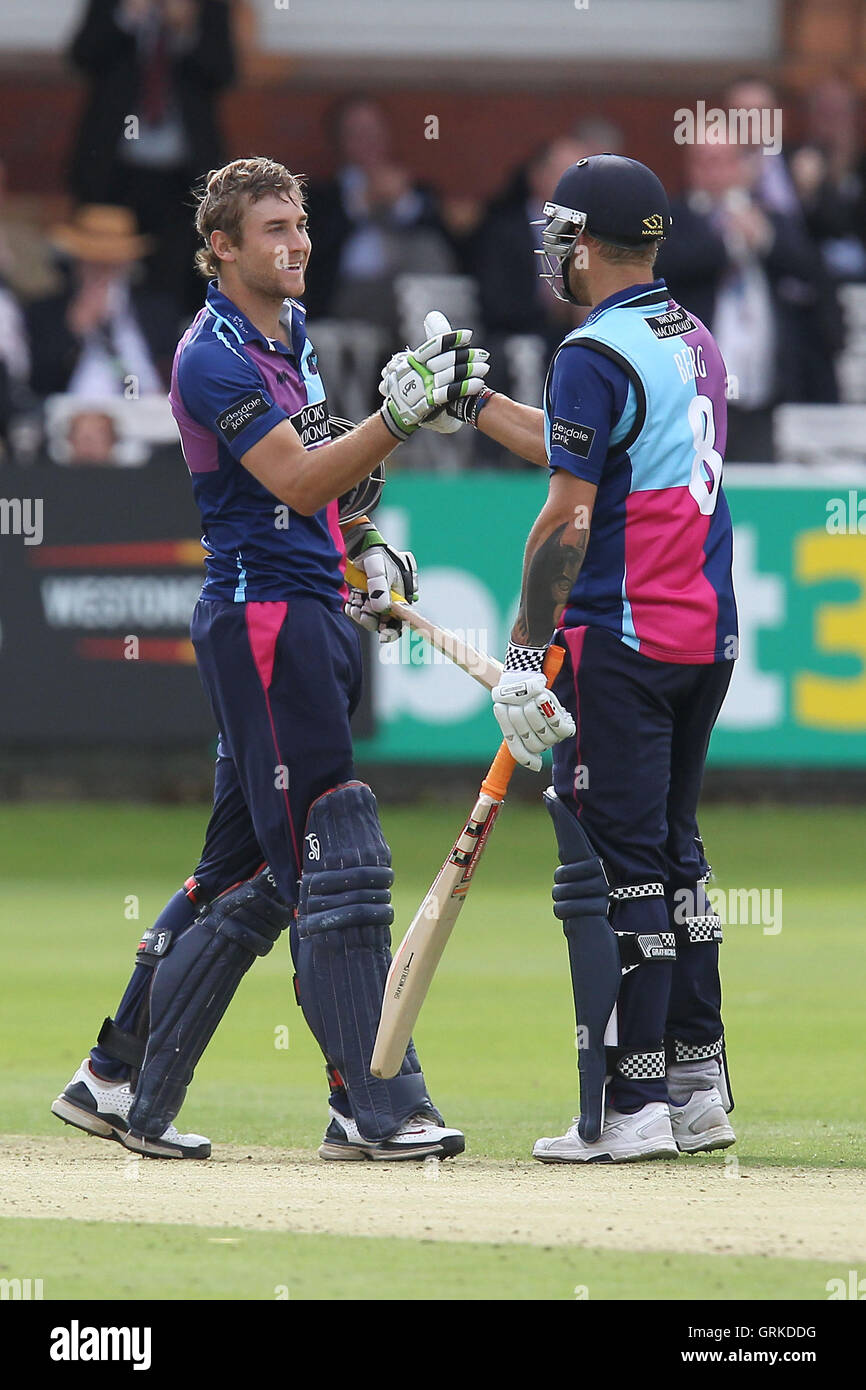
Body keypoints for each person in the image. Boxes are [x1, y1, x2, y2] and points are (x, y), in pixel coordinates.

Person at [51, 155, 489, 1161]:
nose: (295, 243)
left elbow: (334, 489)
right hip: (266, 623)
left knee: (231, 870)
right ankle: (370, 1099)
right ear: (221, 249)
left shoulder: (288, 332)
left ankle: (110, 1075)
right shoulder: (211, 355)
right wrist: (405, 416)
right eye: (273, 231)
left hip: (309, 608)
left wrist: (368, 547)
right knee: (327, 864)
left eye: (300, 224)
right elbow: (294, 483)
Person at [433, 154, 738, 1163]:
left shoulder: (590, 350)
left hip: (624, 634)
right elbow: (585, 448)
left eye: (558, 236)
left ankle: (628, 1102)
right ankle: (697, 1086)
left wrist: (524, 648)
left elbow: (566, 517)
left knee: (620, 866)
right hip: (703, 629)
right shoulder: (687, 336)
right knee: (674, 852)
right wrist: (471, 401)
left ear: (579, 244)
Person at [26, 205, 178, 398]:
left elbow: (174, 373)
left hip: (145, 412)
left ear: (127, 263)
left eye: (110, 264)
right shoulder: (46, 311)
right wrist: (73, 332)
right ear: (76, 261)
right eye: (92, 261)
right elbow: (39, 383)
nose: (101, 270)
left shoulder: (157, 311)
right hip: (72, 416)